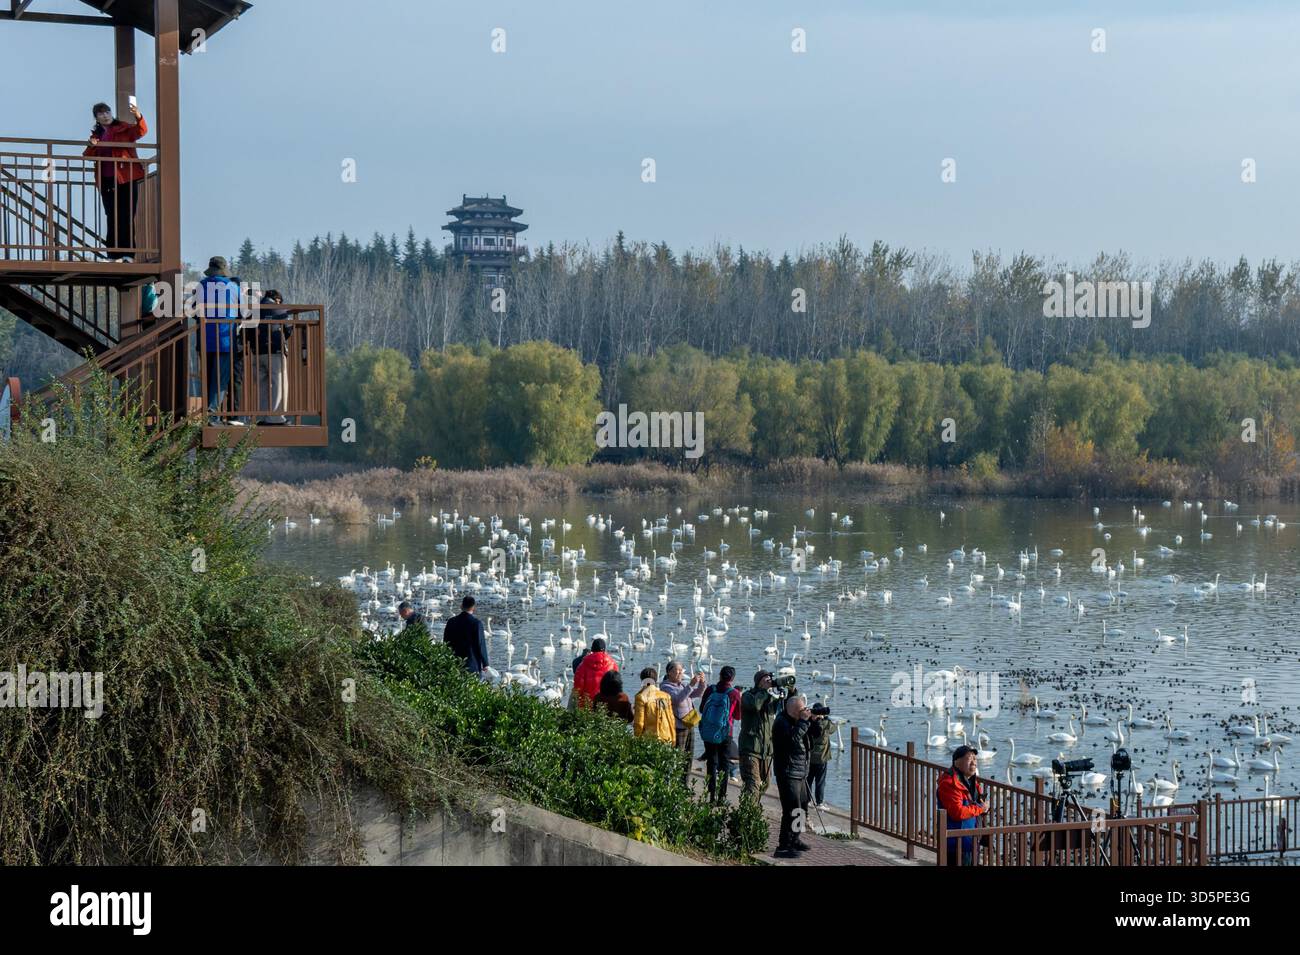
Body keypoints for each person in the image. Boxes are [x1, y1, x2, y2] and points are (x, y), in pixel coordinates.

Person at [83, 100, 147, 260]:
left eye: (107, 112)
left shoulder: (124, 128)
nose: (105, 116)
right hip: (107, 180)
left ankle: (128, 254)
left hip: (127, 178)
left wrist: (138, 116)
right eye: (101, 114)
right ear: (96, 118)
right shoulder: (96, 136)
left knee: (126, 216)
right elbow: (87, 155)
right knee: (111, 216)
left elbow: (140, 131)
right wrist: (91, 145)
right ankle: (112, 254)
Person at [198, 256, 245, 425]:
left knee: (208, 377)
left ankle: (208, 413)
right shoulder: (232, 287)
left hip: (205, 338)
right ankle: (212, 414)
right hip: (225, 339)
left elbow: (195, 310)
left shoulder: (202, 285)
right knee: (220, 378)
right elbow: (245, 312)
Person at [772, 694, 816, 858]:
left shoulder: (799, 721)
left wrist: (815, 720)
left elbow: (815, 735)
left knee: (802, 807)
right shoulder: (781, 723)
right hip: (787, 771)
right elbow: (791, 741)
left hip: (800, 771)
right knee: (791, 808)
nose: (803, 713)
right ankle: (784, 846)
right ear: (792, 711)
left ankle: (795, 839)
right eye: (801, 711)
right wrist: (804, 722)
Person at [738, 670, 787, 800]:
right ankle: (748, 814)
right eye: (766, 680)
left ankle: (751, 809)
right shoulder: (748, 696)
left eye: (770, 680)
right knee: (753, 784)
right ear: (758, 682)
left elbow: (787, 711)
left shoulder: (771, 698)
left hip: (765, 751)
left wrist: (788, 692)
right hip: (750, 748)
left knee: (764, 785)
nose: (769, 682)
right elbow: (756, 705)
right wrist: (765, 691)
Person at [698, 665, 743, 805]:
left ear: (719, 675)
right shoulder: (734, 693)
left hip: (709, 731)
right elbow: (738, 716)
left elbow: (701, 708)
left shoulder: (711, 689)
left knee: (711, 762)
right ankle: (721, 798)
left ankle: (711, 796)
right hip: (725, 733)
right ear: (733, 678)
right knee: (724, 764)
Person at [936, 744, 987, 865]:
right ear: (957, 762)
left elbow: (976, 806)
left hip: (971, 841)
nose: (974, 762)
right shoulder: (949, 784)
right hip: (956, 844)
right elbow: (957, 812)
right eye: (969, 759)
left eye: (975, 759)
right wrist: (980, 808)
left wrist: (983, 808)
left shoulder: (971, 781)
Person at [660, 661, 706, 783]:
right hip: (678, 727)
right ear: (669, 672)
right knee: (677, 756)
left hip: (689, 724)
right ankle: (672, 783)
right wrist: (690, 685)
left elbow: (698, 694)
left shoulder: (682, 685)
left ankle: (684, 783)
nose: (681, 672)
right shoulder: (665, 687)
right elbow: (677, 699)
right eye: (677, 670)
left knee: (688, 756)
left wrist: (701, 683)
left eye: (681, 670)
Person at [251, 290, 291, 425]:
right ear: (277, 299)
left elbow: (248, 329)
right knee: (278, 383)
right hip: (274, 350)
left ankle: (262, 417)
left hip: (257, 351)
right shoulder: (278, 308)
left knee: (262, 385)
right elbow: (287, 329)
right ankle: (276, 417)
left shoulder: (255, 309)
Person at [442, 595, 490, 676]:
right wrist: (485, 663)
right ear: (473, 607)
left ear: (461, 606)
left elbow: (446, 642)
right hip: (471, 664)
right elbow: (480, 644)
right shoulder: (476, 623)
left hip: (453, 662)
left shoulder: (451, 621)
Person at [633, 666, 675, 744]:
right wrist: (673, 738)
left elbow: (639, 723)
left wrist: (636, 739)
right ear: (655, 680)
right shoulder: (666, 696)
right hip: (666, 736)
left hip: (650, 739)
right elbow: (671, 719)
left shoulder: (641, 697)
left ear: (642, 680)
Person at [572, 638, 617, 709]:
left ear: (592, 650)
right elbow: (616, 687)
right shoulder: (612, 664)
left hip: (587, 705)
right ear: (604, 650)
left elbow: (578, 687)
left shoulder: (583, 665)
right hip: (606, 705)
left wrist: (579, 705)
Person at [807, 703, 833, 808]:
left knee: (808, 780)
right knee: (820, 781)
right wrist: (825, 718)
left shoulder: (808, 723)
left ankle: (806, 800)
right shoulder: (826, 724)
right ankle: (819, 802)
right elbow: (833, 728)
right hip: (822, 758)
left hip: (810, 757)